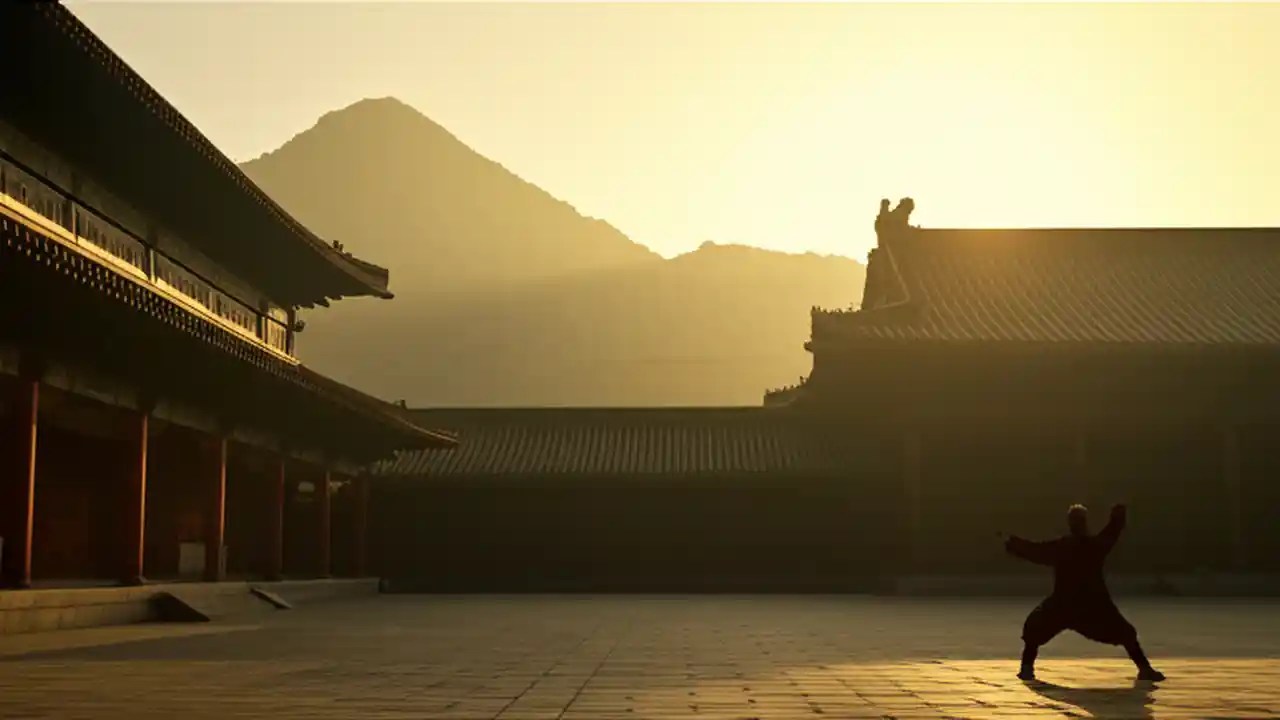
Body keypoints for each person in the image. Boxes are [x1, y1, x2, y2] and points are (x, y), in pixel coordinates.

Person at [1001, 504, 1165, 682]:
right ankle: (1145, 668)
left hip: (1064, 602)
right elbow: (1111, 533)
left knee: (1034, 629)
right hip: (1092, 603)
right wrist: (1117, 518)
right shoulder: (1093, 546)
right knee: (1125, 634)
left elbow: (1034, 550)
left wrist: (1013, 544)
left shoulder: (1063, 546)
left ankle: (1026, 668)